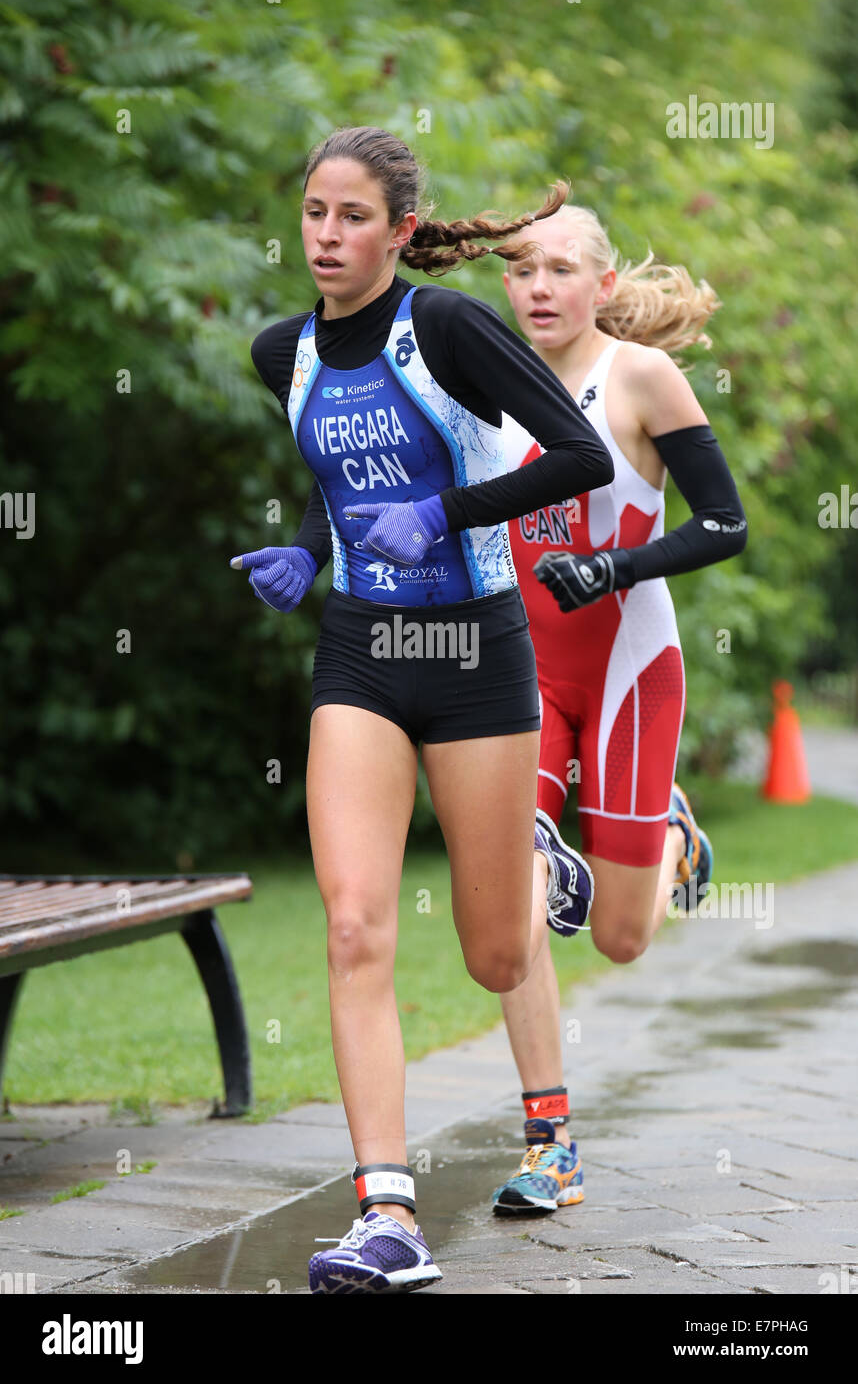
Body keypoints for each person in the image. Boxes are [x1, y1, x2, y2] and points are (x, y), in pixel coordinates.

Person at [230, 126, 615, 1293]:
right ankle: (386, 1215)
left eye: (351, 217)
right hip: (361, 655)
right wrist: (308, 550)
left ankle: (536, 870)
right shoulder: (279, 351)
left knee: (496, 951)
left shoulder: (443, 328)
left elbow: (578, 455)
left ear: (399, 231)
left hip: (473, 653)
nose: (326, 236)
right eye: (312, 214)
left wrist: (444, 515)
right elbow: (332, 475)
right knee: (353, 926)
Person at [490, 203, 748, 1214]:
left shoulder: (638, 379)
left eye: (560, 269)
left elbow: (724, 523)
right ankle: (549, 1144)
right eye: (520, 268)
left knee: (618, 939)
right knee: (512, 895)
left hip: (628, 669)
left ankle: (665, 833)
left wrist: (615, 565)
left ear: (601, 286)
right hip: (521, 679)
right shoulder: (483, 385)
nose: (538, 286)